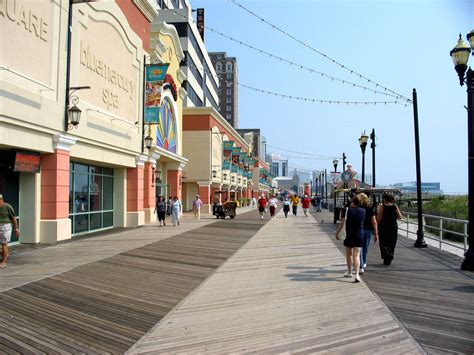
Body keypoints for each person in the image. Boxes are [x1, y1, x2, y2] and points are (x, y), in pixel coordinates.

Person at [335, 194, 366, 283]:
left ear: (352, 201)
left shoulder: (346, 210)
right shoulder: (363, 211)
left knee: (349, 255)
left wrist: (337, 233)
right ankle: (357, 274)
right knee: (357, 255)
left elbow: (342, 223)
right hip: (359, 234)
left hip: (349, 235)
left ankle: (349, 272)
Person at [377, 192, 403, 265]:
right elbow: (400, 217)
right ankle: (390, 256)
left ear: (385, 199)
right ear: (392, 199)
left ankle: (386, 256)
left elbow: (379, 217)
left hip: (384, 226)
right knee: (392, 242)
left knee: (383, 242)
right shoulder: (395, 206)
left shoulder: (383, 207)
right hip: (393, 226)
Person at [359, 193, 378, 273]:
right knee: (365, 248)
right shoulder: (370, 209)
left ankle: (361, 265)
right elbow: (374, 222)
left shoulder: (358, 208)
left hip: (359, 230)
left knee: (360, 248)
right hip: (368, 230)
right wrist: (376, 233)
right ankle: (363, 263)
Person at [0, 194, 20, 269]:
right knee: (2, 245)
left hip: (5, 226)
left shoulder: (7, 206)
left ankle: (4, 262)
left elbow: (14, 218)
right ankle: (5, 254)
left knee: (4, 244)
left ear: (2, 199)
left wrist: (16, 229)